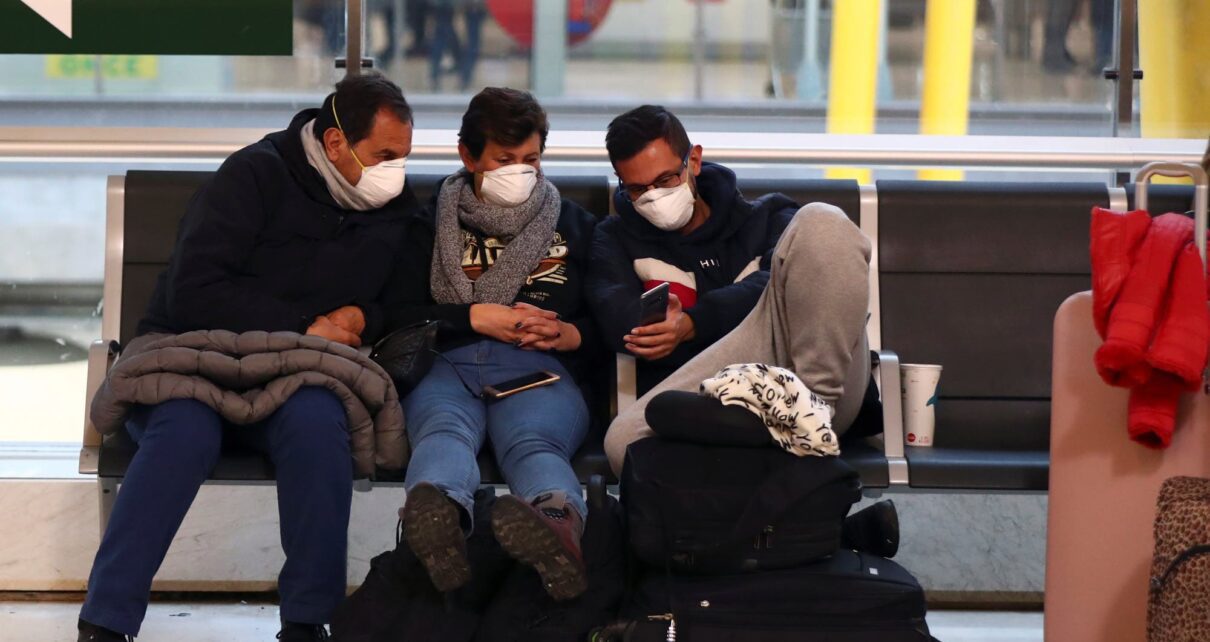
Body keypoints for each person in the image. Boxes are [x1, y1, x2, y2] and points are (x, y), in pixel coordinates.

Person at [77, 74, 419, 642]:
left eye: (404, 156)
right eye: (385, 156)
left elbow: (403, 303)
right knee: (182, 433)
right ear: (336, 143)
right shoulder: (254, 175)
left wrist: (364, 315)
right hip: (193, 355)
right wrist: (304, 325)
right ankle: (106, 622)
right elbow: (194, 291)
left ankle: (308, 620)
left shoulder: (394, 209)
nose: (396, 171)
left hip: (298, 372)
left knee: (318, 426)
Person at [382, 87, 600, 601]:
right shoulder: (427, 223)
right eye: (505, 160)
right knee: (444, 432)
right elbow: (393, 312)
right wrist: (473, 316)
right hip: (445, 362)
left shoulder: (574, 225)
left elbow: (607, 314)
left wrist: (571, 334)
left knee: (534, 442)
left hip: (537, 366)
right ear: (468, 155)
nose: (521, 171)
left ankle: (556, 527)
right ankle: (438, 523)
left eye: (531, 159)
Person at [590, 105, 872, 475]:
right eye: (638, 189)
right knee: (622, 443)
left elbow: (784, 288)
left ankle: (810, 412)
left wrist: (693, 324)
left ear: (693, 161)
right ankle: (789, 453)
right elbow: (617, 318)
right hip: (701, 401)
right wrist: (658, 326)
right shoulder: (614, 238)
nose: (654, 196)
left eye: (666, 180)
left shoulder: (768, 217)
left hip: (800, 371)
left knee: (822, 220)